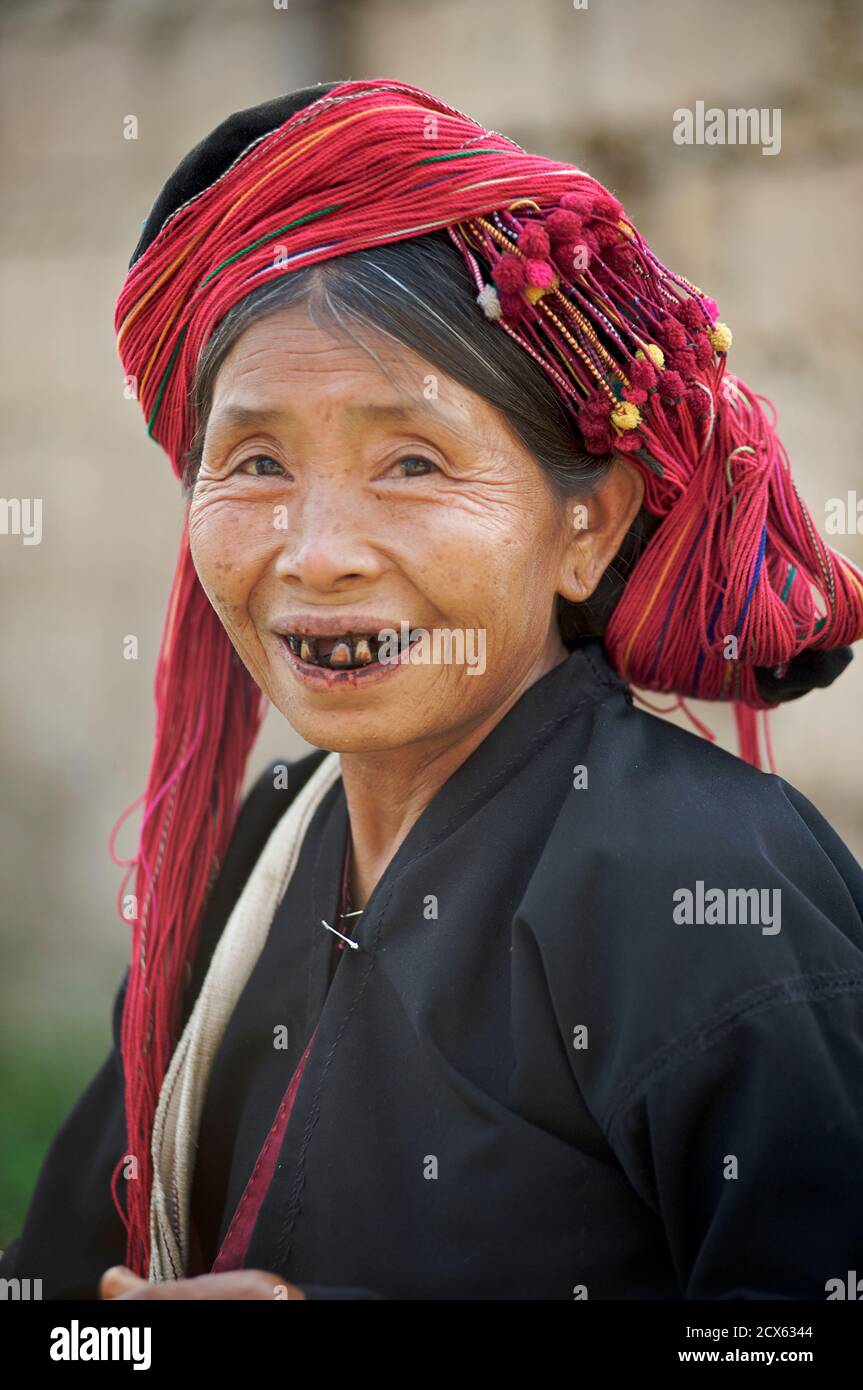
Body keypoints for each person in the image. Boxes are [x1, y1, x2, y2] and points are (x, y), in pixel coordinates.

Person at [2, 77, 863, 1302]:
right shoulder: (263, 850)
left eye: (410, 462)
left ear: (584, 525)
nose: (314, 551)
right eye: (253, 462)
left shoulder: (701, 885)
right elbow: (66, 1294)